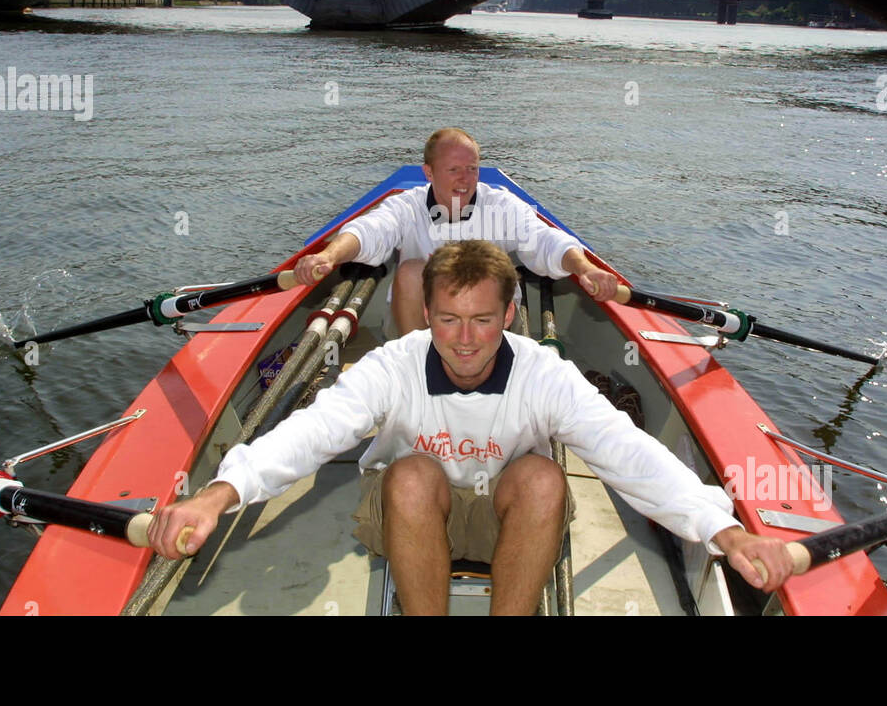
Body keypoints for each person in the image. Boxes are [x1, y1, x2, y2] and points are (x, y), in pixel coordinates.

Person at [148, 240, 795, 615]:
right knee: (410, 475)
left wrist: (728, 534)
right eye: (448, 318)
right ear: (425, 312)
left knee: (544, 477)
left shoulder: (544, 372)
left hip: (511, 514)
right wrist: (217, 495)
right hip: (408, 510)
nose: (464, 340)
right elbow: (313, 431)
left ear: (509, 313)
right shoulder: (392, 366)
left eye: (482, 319)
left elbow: (629, 454)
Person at [292, 128, 619, 336]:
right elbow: (369, 231)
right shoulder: (406, 207)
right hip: (420, 326)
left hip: (491, 325)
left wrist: (585, 268)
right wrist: (328, 256)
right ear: (428, 173)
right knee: (410, 273)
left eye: (472, 169)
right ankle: (420, 375)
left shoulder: (501, 205)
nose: (465, 179)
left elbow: (545, 239)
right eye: (453, 170)